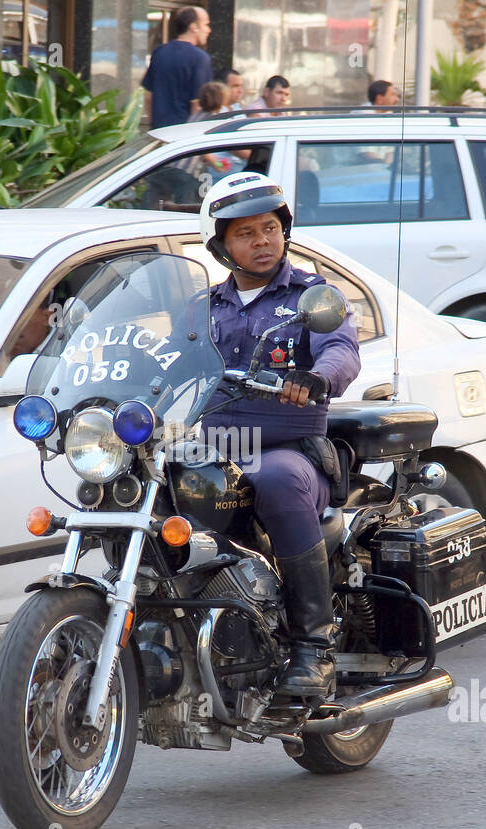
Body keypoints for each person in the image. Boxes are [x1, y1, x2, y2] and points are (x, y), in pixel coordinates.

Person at [196, 173, 361, 696]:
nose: (262, 240)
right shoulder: (204, 308)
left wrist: (317, 378)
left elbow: (342, 351)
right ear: (222, 245)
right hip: (212, 447)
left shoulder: (313, 296)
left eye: (270, 228)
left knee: (276, 480)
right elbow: (163, 360)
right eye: (246, 232)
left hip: (289, 449)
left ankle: (314, 647)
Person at [141, 6, 212, 128]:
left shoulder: (159, 53)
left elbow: (148, 96)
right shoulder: (200, 58)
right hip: (184, 137)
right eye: (206, 24)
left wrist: (154, 127)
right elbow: (198, 105)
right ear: (193, 27)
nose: (209, 30)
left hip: (159, 133)